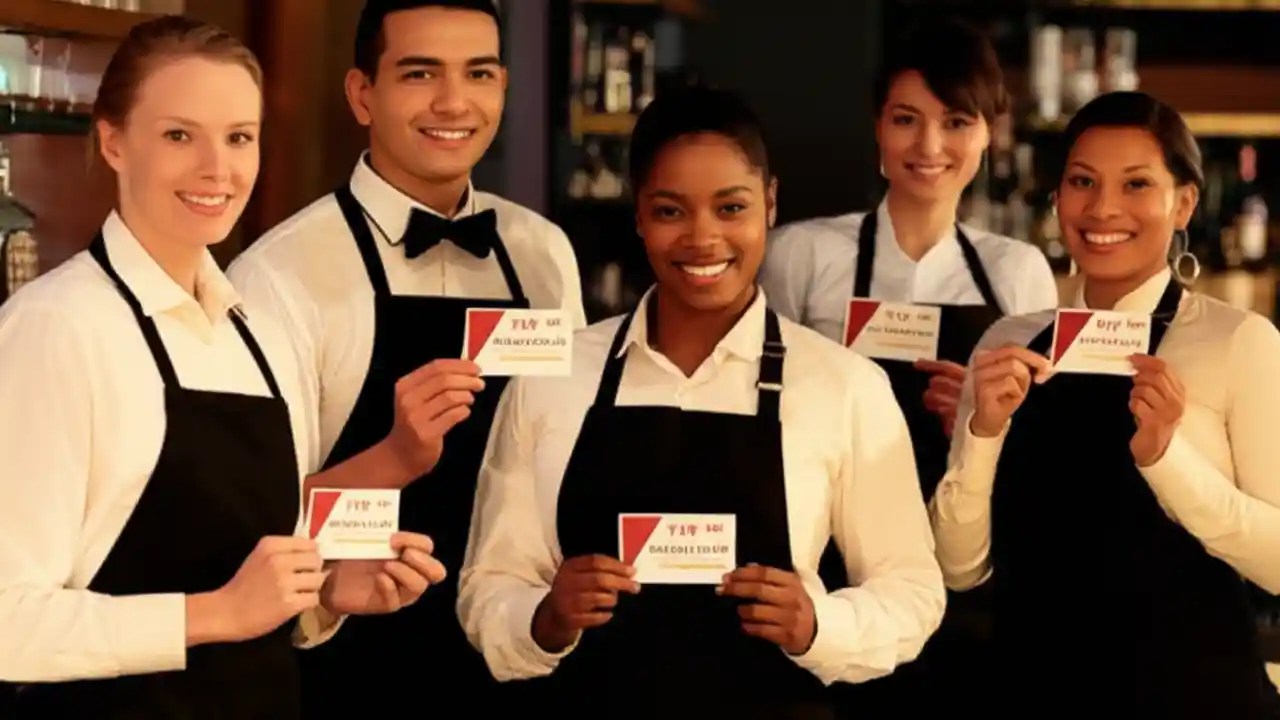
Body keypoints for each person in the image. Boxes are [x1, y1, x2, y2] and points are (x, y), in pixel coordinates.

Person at [0, 16, 444, 719]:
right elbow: (7, 625)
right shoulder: (55, 330)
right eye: (180, 135)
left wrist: (323, 592)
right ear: (113, 140)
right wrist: (216, 613)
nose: (218, 168)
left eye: (239, 137)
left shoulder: (257, 328)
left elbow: (254, 569)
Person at [457, 85, 944, 719]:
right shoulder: (554, 377)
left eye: (730, 207)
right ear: (637, 215)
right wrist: (543, 618)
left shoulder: (845, 386)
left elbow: (913, 591)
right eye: (670, 211)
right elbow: (487, 588)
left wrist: (819, 624)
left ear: (770, 204)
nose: (702, 237)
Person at [225, 0, 586, 710]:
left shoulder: (543, 253)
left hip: (521, 649)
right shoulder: (281, 274)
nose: (453, 102)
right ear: (363, 94)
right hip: (349, 665)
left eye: (478, 73)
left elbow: (563, 452)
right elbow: (255, 517)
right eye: (420, 74)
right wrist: (394, 457)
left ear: (503, 88)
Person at [933, 90, 1280, 717]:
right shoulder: (1008, 340)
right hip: (1034, 689)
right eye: (1082, 181)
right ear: (1058, 198)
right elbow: (960, 570)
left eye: (1137, 184)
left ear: (1185, 204)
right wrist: (984, 432)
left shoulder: (1240, 342)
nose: (1103, 208)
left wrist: (1168, 459)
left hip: (1195, 696)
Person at [759, 17, 1058, 715]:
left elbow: (1041, 454)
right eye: (906, 119)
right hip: (829, 572)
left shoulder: (1018, 273)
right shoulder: (802, 255)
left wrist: (981, 424)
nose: (929, 146)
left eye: (956, 121)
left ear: (991, 132)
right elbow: (761, 407)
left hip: (968, 570)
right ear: (876, 126)